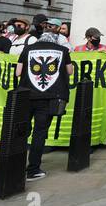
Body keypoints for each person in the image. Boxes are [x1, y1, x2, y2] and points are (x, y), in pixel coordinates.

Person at [15, 29, 74, 181]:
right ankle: (33, 169)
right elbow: (70, 71)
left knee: (22, 130)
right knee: (39, 133)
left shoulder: (28, 49)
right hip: (49, 97)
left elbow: (18, 72)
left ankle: (15, 166)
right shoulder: (63, 50)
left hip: (27, 95)